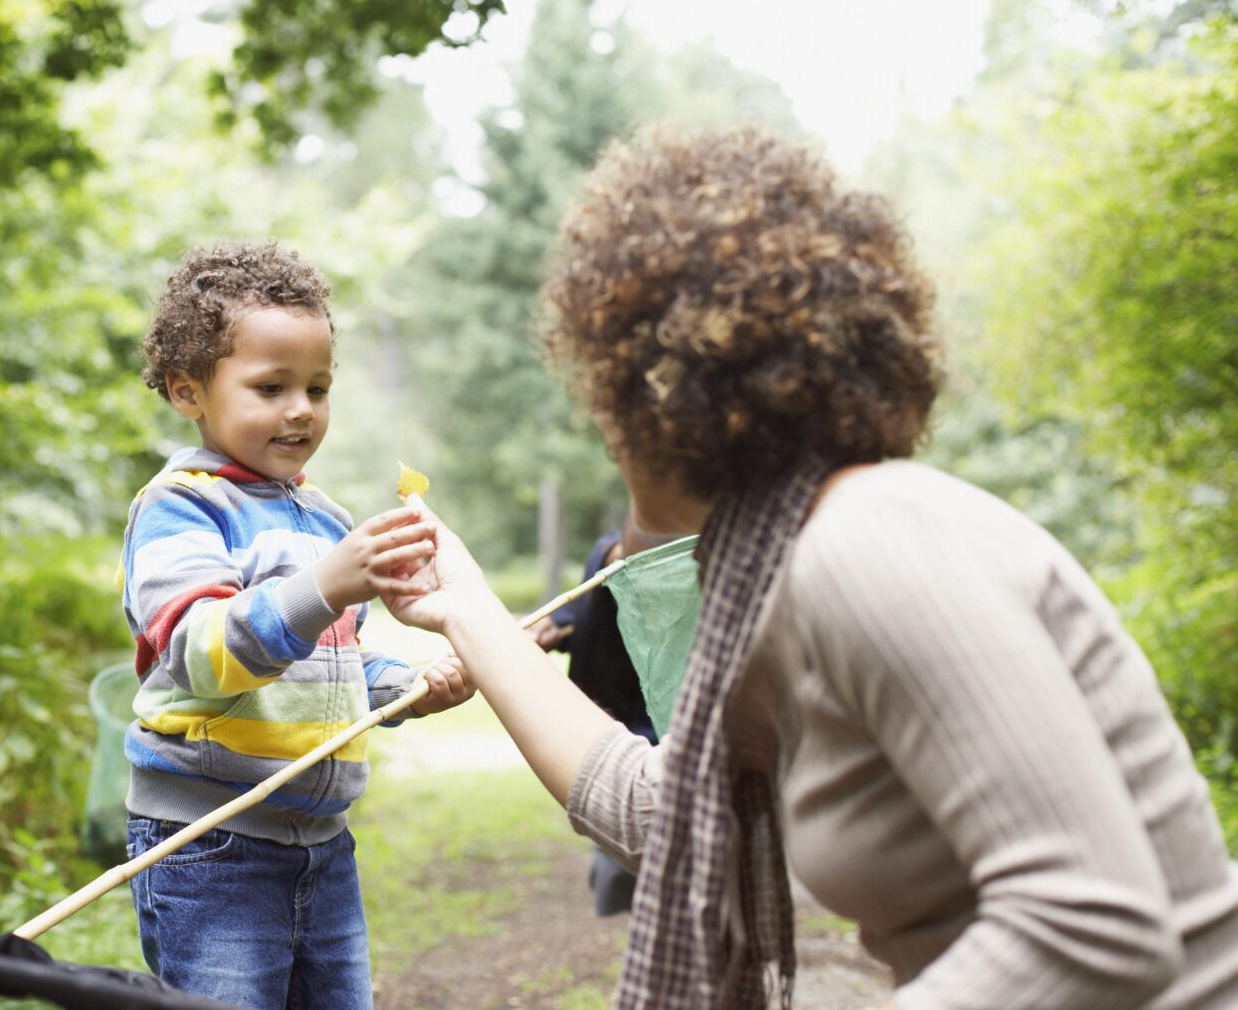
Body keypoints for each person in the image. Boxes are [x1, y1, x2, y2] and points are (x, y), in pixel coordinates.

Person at [382, 125, 1238, 1009]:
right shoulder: (782, 581)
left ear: (659, 400)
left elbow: (1091, 924)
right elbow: (659, 815)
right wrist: (467, 609)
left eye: (606, 390)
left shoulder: (870, 543)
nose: (603, 427)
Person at [119, 240, 474, 1010]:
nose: (301, 409)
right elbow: (203, 655)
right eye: (270, 386)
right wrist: (324, 585)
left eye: (318, 387)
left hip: (322, 846)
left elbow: (331, 667)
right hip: (210, 845)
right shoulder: (182, 507)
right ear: (187, 391)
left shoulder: (326, 520)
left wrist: (407, 687)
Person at [528, 508, 674, 916]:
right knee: (621, 867)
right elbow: (587, 615)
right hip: (610, 724)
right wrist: (557, 626)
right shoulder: (608, 552)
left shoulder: (681, 565)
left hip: (659, 730)